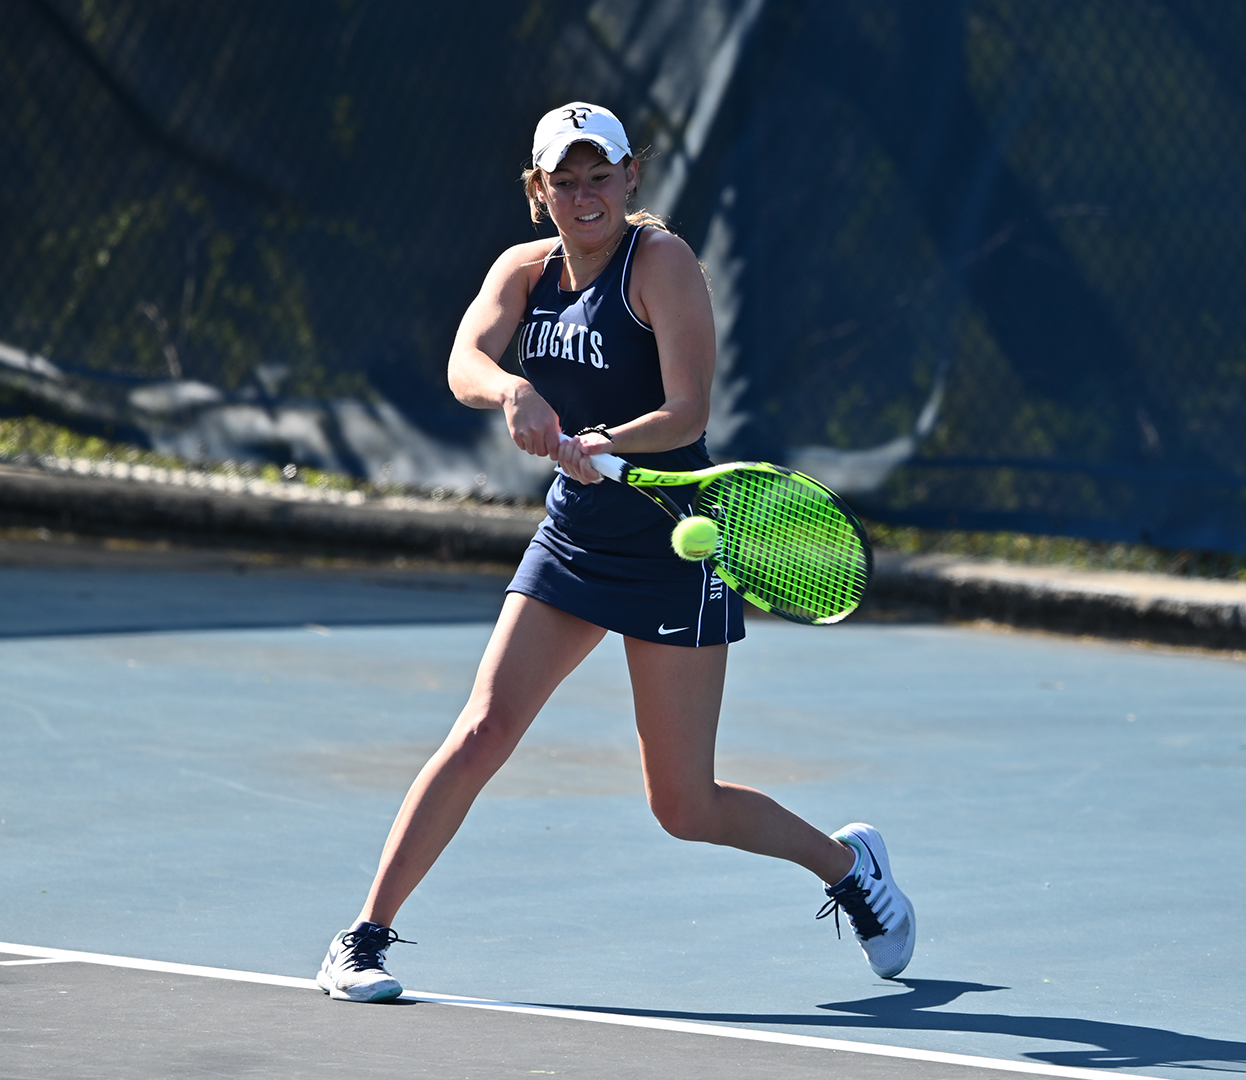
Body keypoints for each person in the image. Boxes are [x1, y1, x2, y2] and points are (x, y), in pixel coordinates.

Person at [314, 103, 915, 1003]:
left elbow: (690, 411)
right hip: (576, 537)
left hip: (676, 544)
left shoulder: (661, 265)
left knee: (684, 807)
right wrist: (512, 388)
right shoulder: (524, 269)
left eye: (602, 176)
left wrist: (605, 441)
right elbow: (463, 359)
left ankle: (846, 864)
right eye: (567, 179)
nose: (586, 194)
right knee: (482, 729)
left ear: (632, 179)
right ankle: (361, 939)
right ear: (538, 190)